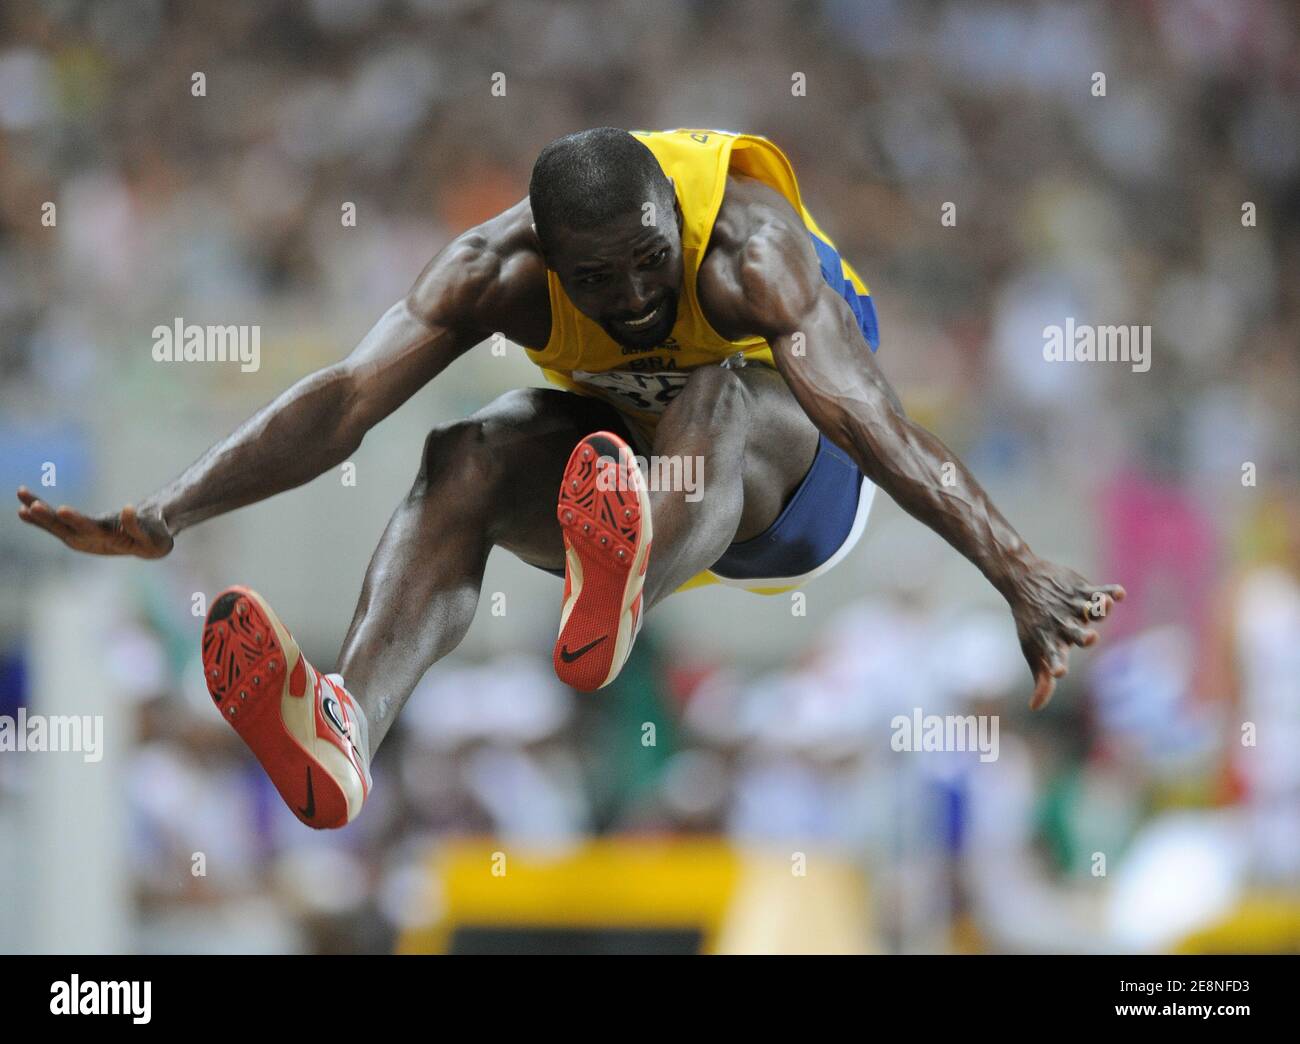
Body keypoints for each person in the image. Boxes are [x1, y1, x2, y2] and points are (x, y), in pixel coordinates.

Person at [17, 128, 1123, 828]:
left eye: (651, 263)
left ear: (671, 226)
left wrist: (1014, 569)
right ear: (544, 258)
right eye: (599, 281)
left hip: (796, 484)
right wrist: (169, 508)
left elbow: (873, 417)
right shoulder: (488, 271)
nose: (637, 297)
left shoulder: (746, 250)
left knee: (714, 390)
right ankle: (351, 723)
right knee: (463, 453)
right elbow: (345, 402)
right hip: (616, 462)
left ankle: (633, 560)